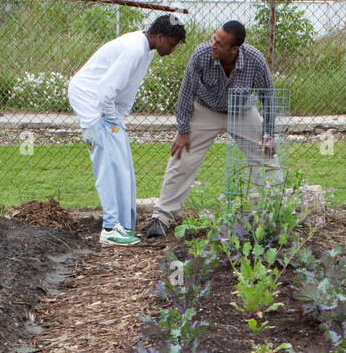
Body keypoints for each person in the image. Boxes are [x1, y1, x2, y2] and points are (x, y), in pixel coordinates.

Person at [146, 20, 281, 238]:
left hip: (241, 111)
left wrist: (269, 135)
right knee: (181, 158)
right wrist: (182, 131)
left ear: (234, 49)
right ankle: (161, 218)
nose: (213, 45)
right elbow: (186, 93)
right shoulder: (201, 55)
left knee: (267, 157)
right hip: (205, 109)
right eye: (213, 39)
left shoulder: (254, 60)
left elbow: (268, 97)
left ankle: (274, 216)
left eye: (219, 43)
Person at [68, 14, 186, 247]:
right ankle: (110, 228)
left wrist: (118, 121)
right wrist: (111, 120)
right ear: (160, 36)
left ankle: (121, 225)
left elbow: (127, 90)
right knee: (107, 166)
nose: (171, 50)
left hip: (103, 107)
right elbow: (105, 91)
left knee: (121, 165)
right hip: (92, 104)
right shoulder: (134, 49)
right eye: (171, 44)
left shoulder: (145, 49)